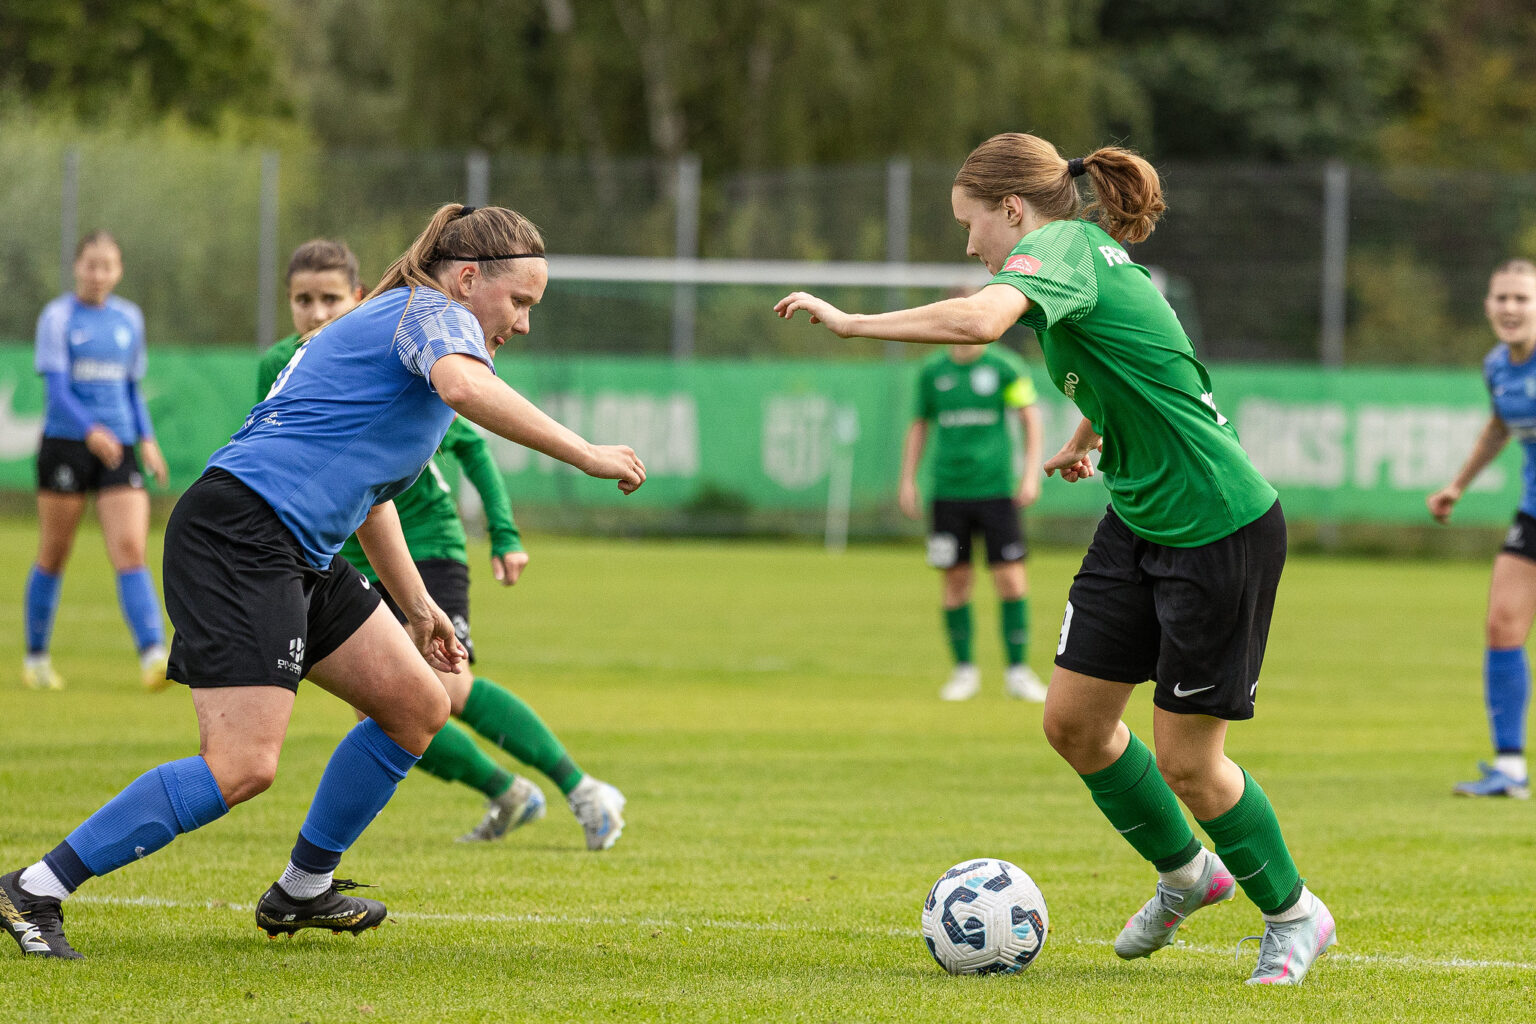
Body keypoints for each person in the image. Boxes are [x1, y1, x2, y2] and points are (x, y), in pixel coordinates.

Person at [1, 204, 645, 960]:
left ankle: (304, 888)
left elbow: (370, 494)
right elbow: (468, 393)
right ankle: (35, 888)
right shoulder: (431, 314)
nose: (525, 323)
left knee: (418, 704)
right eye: (522, 302)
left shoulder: (409, 322)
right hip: (241, 535)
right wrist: (588, 453)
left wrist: (417, 604)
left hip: (293, 544)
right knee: (242, 767)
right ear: (469, 279)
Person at [775, 133, 1333, 986]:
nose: (971, 248)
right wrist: (1087, 439)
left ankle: (1295, 915)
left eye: (972, 226)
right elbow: (1142, 369)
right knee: (1073, 723)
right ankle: (1190, 875)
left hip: (1218, 527)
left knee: (1189, 761)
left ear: (1012, 209)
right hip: (1139, 517)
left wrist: (851, 321)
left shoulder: (1059, 248)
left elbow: (975, 318)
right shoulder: (1085, 263)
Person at [259, 239, 626, 849]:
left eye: (330, 298)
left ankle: (582, 788)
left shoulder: (416, 335)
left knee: (441, 688)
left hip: (424, 539)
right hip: (336, 550)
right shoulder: (283, 358)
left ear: (359, 295)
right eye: (303, 300)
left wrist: (504, 531)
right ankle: (507, 792)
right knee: (385, 706)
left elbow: (472, 440)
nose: (317, 313)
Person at [24, 231, 171, 693]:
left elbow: (130, 388)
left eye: (108, 265)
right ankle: (36, 658)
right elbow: (58, 391)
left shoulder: (129, 318)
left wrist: (145, 438)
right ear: (77, 267)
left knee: (130, 549)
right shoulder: (58, 317)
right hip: (68, 444)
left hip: (121, 446)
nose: (99, 274)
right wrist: (91, 430)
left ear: (119, 269)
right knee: (55, 553)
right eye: (91, 264)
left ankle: (153, 656)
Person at [899, 295, 1046, 702]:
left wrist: (1030, 474)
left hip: (997, 492)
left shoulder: (1004, 368)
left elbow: (1030, 419)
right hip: (948, 493)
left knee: (1012, 580)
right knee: (956, 581)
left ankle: (1017, 671)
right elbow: (919, 426)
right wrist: (908, 480)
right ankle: (964, 671)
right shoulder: (932, 372)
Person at [1427, 259, 1536, 799]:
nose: (1511, 308)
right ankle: (1511, 767)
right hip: (1533, 514)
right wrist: (1457, 486)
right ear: (1489, 305)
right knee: (1502, 627)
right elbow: (1499, 427)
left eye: (1523, 298)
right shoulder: (1498, 366)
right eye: (1503, 298)